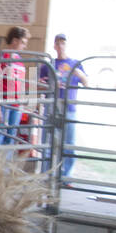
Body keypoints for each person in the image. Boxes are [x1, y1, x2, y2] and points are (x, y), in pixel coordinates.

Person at [39, 33, 89, 181]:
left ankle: (66, 176)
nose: (60, 46)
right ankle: (46, 173)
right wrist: (45, 84)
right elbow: (38, 84)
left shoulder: (75, 63)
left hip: (69, 105)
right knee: (48, 140)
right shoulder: (48, 65)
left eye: (63, 43)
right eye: (58, 43)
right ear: (54, 46)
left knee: (69, 142)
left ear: (66, 45)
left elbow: (86, 82)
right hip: (52, 104)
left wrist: (78, 73)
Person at [0, 26, 29, 147]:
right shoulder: (0, 56)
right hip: (3, 103)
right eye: (22, 42)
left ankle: (4, 165)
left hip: (16, 105)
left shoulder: (19, 60)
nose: (24, 46)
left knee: (10, 140)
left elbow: (21, 83)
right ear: (14, 41)